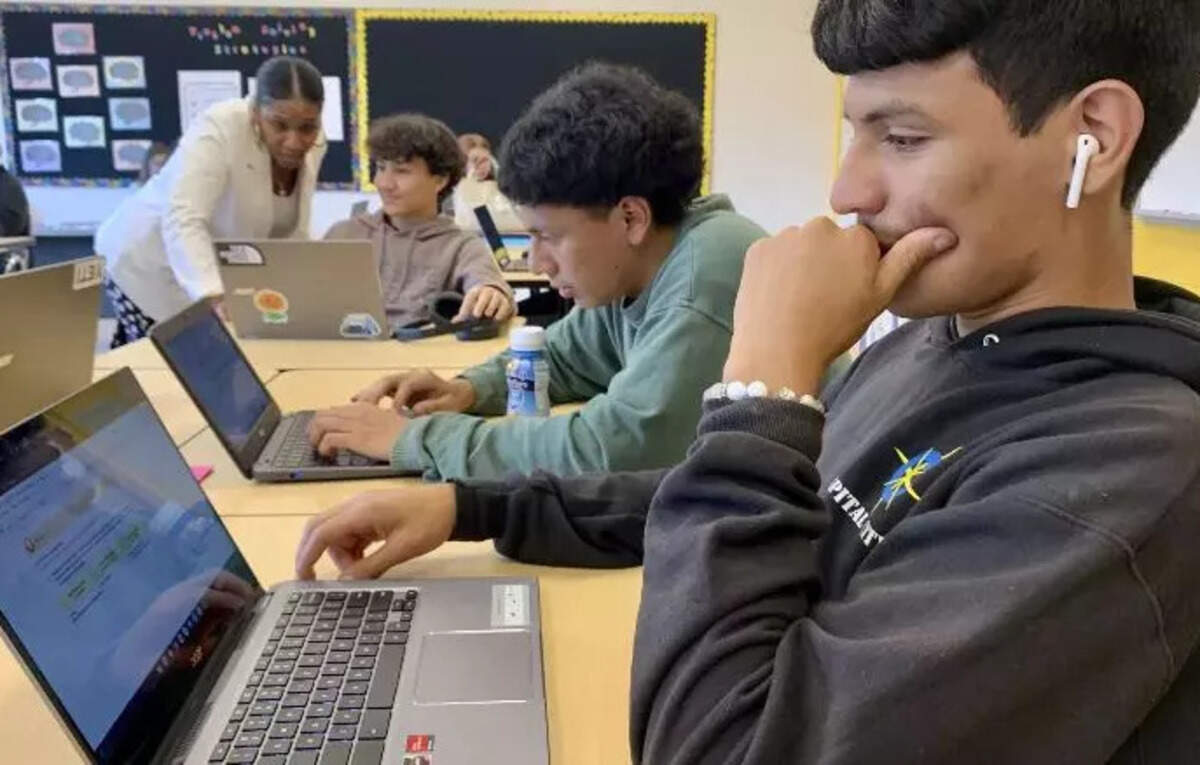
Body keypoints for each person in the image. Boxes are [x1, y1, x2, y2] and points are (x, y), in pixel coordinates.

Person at [296, 1, 1200, 762]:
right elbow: (765, 503)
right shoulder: (938, 343)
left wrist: (764, 387)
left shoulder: (1128, 472)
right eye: (857, 132)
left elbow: (718, 744)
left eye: (905, 136)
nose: (847, 190)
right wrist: (476, 509)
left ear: (1094, 136)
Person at [306, 64, 767, 480]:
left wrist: (415, 440)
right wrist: (467, 390)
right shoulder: (641, 263)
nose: (535, 262)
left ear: (630, 217)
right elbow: (564, 360)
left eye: (547, 236)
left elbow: (614, 450)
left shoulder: (701, 278)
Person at [94, 56, 327, 347]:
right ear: (256, 112)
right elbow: (183, 217)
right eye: (279, 125)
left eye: (307, 127)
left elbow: (293, 230)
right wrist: (213, 294)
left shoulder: (317, 144)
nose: (294, 141)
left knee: (220, 364)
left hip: (222, 269)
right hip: (147, 263)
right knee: (169, 370)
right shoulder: (219, 127)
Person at [324, 114, 514, 329]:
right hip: (339, 357)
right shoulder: (344, 234)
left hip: (420, 359)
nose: (384, 183)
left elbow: (487, 283)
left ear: (440, 180)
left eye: (402, 171)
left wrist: (492, 293)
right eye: (380, 168)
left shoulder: (460, 246)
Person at [450, 132, 524, 233]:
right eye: (475, 160)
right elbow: (480, 224)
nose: (481, 165)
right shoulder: (453, 194)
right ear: (462, 163)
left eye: (485, 160)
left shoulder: (504, 190)